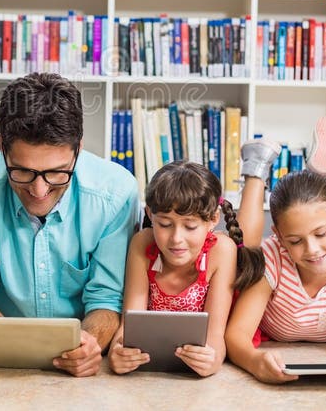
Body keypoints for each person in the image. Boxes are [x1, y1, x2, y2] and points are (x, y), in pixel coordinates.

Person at [0, 72, 139, 377]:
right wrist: (19, 344)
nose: (39, 192)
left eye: (57, 173)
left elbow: (107, 298)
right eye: (22, 172)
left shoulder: (117, 194)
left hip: (83, 366)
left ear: (77, 149)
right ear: (2, 147)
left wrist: (91, 342)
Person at [225, 118, 326, 387]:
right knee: (243, 252)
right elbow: (236, 334)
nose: (312, 250)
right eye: (295, 241)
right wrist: (256, 362)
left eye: (321, 234)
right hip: (271, 328)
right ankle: (255, 172)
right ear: (279, 236)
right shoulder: (273, 255)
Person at [107, 161, 261, 377]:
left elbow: (216, 334)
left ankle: (256, 174)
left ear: (213, 220)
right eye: (164, 224)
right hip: (150, 371)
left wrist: (213, 359)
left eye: (190, 226)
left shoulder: (222, 251)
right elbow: (128, 325)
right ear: (150, 214)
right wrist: (117, 352)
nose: (176, 239)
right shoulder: (142, 243)